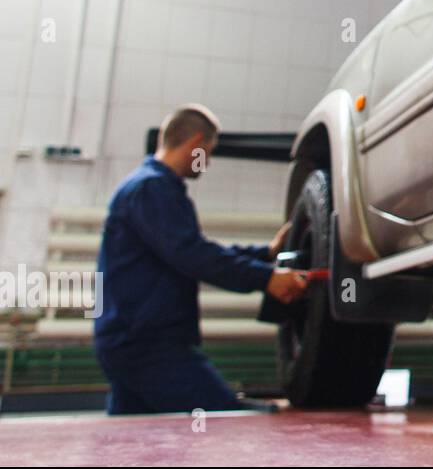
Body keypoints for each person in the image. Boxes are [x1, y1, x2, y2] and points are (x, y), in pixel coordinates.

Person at [93, 104, 308, 414]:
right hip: (149, 346)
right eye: (208, 151)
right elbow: (193, 256)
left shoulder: (148, 187)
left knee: (134, 439)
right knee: (228, 418)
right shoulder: (152, 188)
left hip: (129, 342)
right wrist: (266, 278)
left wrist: (265, 254)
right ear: (195, 144)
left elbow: (191, 249)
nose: (207, 162)